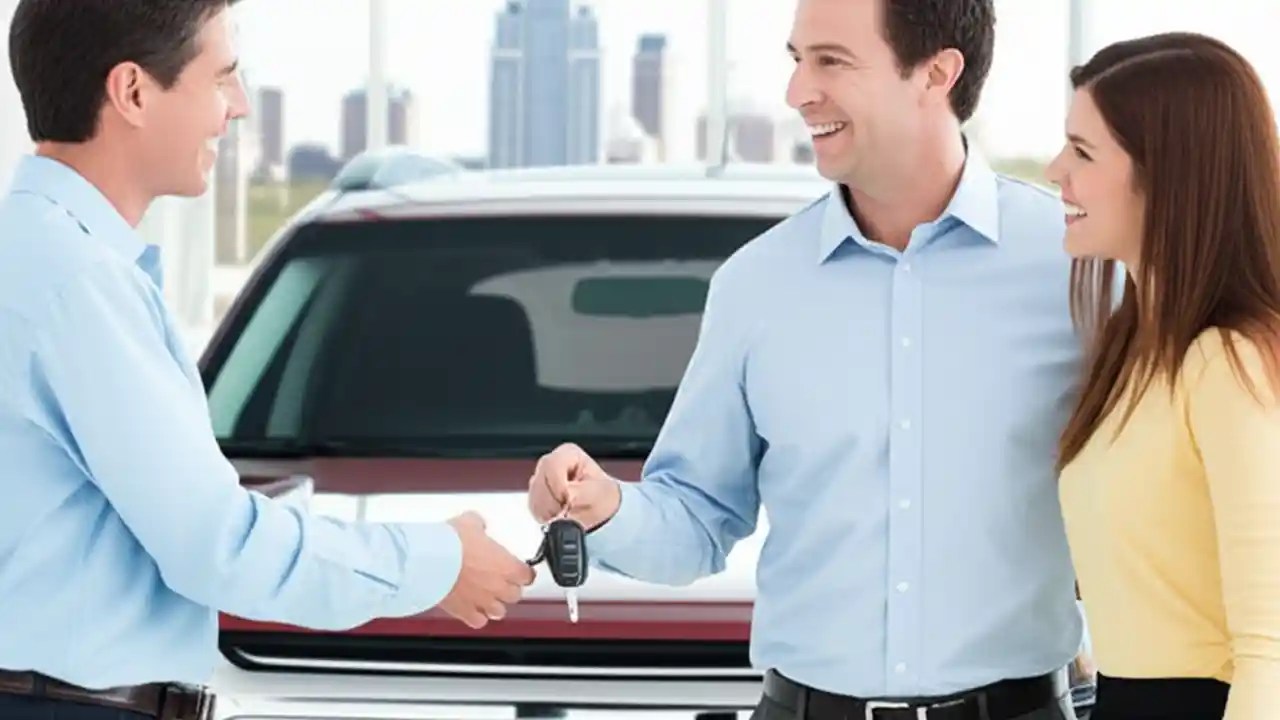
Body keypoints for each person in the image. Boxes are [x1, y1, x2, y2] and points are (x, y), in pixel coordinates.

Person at [529, 0, 1083, 718]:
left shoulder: (1076, 267)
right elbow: (697, 518)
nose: (797, 93)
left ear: (937, 72)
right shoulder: (756, 285)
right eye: (798, 60)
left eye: (832, 61)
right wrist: (607, 509)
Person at [0, 2, 534, 718]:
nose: (238, 107)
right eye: (221, 78)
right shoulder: (80, 283)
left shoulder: (33, 255)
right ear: (131, 92)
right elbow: (218, 546)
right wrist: (438, 563)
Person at [1049, 31, 1280, 720]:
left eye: (1083, 152)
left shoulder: (1227, 361)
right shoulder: (1137, 349)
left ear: (1169, 173)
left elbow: (1271, 649)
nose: (1056, 169)